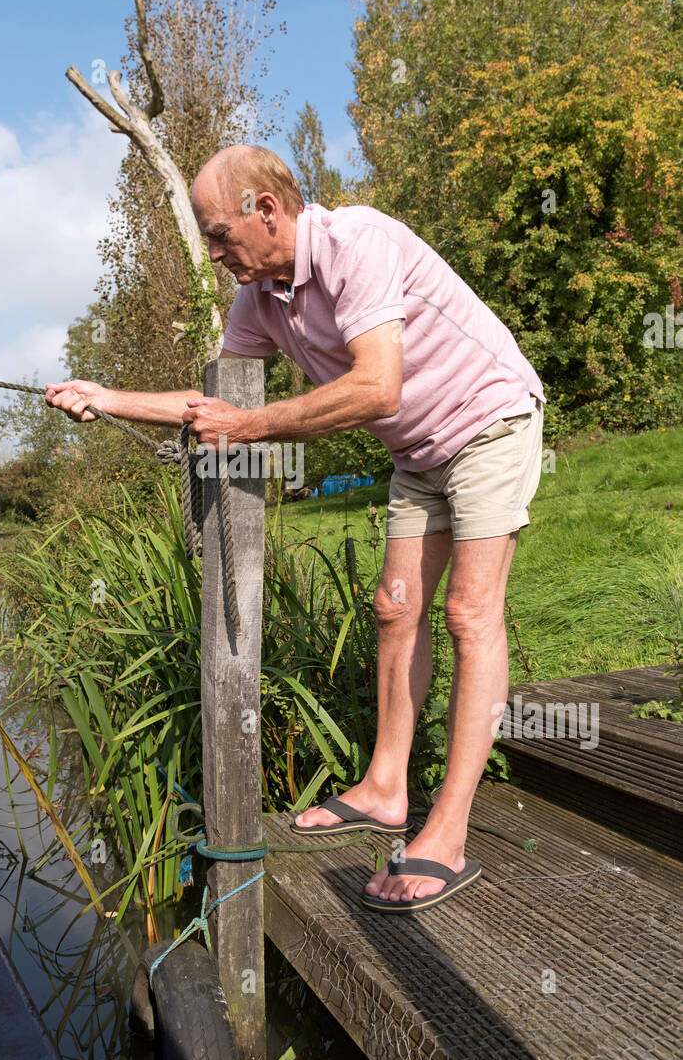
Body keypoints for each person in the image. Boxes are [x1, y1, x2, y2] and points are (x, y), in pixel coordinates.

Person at [46, 144, 546, 913]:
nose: (214, 254)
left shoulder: (359, 244)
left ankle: (446, 829)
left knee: (468, 614)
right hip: (417, 452)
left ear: (266, 211)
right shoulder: (259, 299)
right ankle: (385, 787)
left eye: (218, 234)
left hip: (489, 421)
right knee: (394, 607)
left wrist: (249, 427)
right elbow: (215, 399)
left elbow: (377, 387)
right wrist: (105, 395)